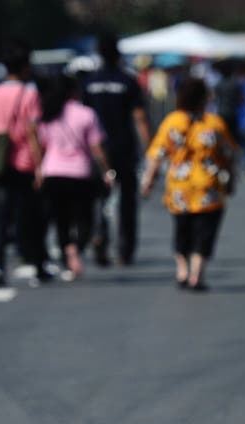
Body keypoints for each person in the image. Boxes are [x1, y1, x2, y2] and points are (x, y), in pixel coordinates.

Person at [141, 77, 238, 291]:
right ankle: (196, 274)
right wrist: (231, 180)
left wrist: (148, 180)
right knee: (205, 231)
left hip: (179, 187)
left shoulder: (172, 121)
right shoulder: (213, 124)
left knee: (182, 229)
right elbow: (228, 155)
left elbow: (157, 154)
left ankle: (182, 269)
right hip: (208, 186)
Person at [32, 75, 115, 281]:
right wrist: (107, 170)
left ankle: (67, 253)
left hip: (53, 171)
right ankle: (76, 248)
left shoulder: (49, 114)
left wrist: (39, 170)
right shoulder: (86, 113)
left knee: (61, 220)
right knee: (84, 219)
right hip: (80, 172)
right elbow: (97, 147)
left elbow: (40, 143)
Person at [0, 38, 50, 287]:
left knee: (0, 217)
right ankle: (33, 262)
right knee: (28, 216)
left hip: (0, 162)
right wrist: (39, 165)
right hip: (23, 161)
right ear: (25, 67)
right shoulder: (30, 94)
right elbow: (32, 132)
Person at [83, 32, 150, 266]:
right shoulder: (127, 81)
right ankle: (125, 249)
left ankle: (99, 233)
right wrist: (149, 149)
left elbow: (82, 117)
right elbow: (139, 117)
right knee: (127, 201)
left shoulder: (89, 82)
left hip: (97, 149)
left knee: (99, 197)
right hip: (123, 147)